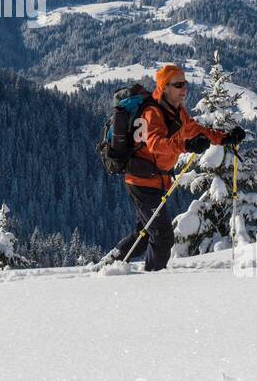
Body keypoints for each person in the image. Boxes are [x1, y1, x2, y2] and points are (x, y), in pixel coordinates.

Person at [105, 64, 247, 271]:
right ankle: (153, 281)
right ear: (164, 87)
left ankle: (109, 262)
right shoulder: (153, 112)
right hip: (142, 180)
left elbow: (194, 129)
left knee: (144, 234)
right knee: (162, 236)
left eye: (185, 84)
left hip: (156, 179)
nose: (184, 89)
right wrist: (186, 146)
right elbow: (155, 144)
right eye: (178, 84)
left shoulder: (176, 111)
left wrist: (224, 138)